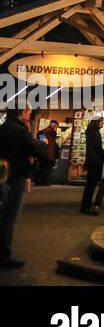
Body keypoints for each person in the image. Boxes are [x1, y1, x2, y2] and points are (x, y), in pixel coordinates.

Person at [0, 107, 42, 269]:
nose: (29, 116)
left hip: (3, 175)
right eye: (28, 113)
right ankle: (4, 255)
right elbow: (36, 150)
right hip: (16, 176)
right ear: (23, 112)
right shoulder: (21, 131)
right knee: (10, 216)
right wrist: (40, 142)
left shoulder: (3, 128)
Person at [79, 117, 104, 214]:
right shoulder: (95, 133)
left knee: (90, 185)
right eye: (101, 122)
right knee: (91, 185)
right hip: (95, 161)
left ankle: (85, 205)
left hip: (91, 160)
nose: (102, 124)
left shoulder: (90, 132)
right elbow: (98, 148)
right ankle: (86, 206)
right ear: (97, 123)